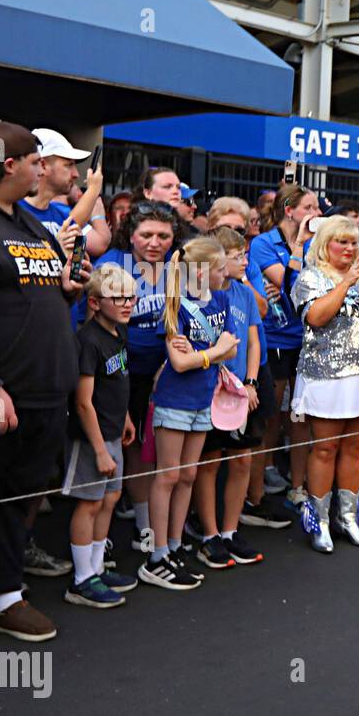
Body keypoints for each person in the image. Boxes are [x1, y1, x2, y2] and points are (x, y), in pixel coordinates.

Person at [0, 120, 90, 645]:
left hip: (39, 398)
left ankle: (6, 598)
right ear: (10, 165)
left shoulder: (26, 222)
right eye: (36, 161)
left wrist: (70, 291)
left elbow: (42, 292)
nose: (44, 171)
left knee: (15, 502)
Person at [289, 216, 359, 551]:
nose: (349, 249)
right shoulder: (310, 277)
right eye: (342, 242)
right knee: (324, 448)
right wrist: (346, 283)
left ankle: (347, 518)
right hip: (324, 376)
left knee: (352, 448)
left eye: (354, 243)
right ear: (325, 244)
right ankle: (318, 521)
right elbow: (316, 317)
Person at [138, 238, 237, 590]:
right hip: (174, 400)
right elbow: (180, 363)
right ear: (200, 272)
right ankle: (155, 552)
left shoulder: (222, 299)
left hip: (202, 399)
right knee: (166, 477)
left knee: (188, 475)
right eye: (220, 268)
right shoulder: (175, 305)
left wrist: (205, 354)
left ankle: (175, 544)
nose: (227, 274)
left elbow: (229, 348)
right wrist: (212, 353)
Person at [92, 200, 185, 552]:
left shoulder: (180, 266)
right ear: (131, 235)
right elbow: (93, 322)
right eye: (146, 234)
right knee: (128, 450)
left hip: (166, 371)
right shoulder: (113, 264)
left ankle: (159, 526)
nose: (154, 242)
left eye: (163, 235)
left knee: (159, 451)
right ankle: (138, 528)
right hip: (118, 371)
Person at [62, 264, 139, 607]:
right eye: (118, 297)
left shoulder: (119, 332)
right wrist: (99, 450)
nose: (127, 303)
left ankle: (96, 567)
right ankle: (81, 579)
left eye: (131, 297)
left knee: (109, 499)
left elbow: (118, 379)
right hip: (91, 438)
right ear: (94, 303)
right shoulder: (88, 341)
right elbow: (82, 403)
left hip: (111, 430)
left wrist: (124, 417)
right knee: (90, 502)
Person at [191, 226, 266, 568]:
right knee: (208, 463)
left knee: (241, 460)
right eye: (238, 257)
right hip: (207, 387)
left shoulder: (244, 294)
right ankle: (209, 535)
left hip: (239, 389)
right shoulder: (196, 294)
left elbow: (253, 342)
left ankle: (230, 531)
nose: (244, 262)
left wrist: (251, 382)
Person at [247, 183, 319, 510]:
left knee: (301, 416)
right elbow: (295, 288)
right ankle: (260, 481)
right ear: (290, 211)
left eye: (318, 208)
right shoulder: (264, 243)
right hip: (275, 337)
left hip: (307, 338)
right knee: (272, 415)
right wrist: (300, 248)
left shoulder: (320, 244)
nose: (317, 214)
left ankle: (299, 486)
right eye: (310, 207)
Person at [21, 129, 111, 259]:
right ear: (43, 165)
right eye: (68, 165)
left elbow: (77, 272)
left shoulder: (63, 216)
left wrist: (79, 256)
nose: (76, 174)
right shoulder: (13, 213)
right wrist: (93, 190)